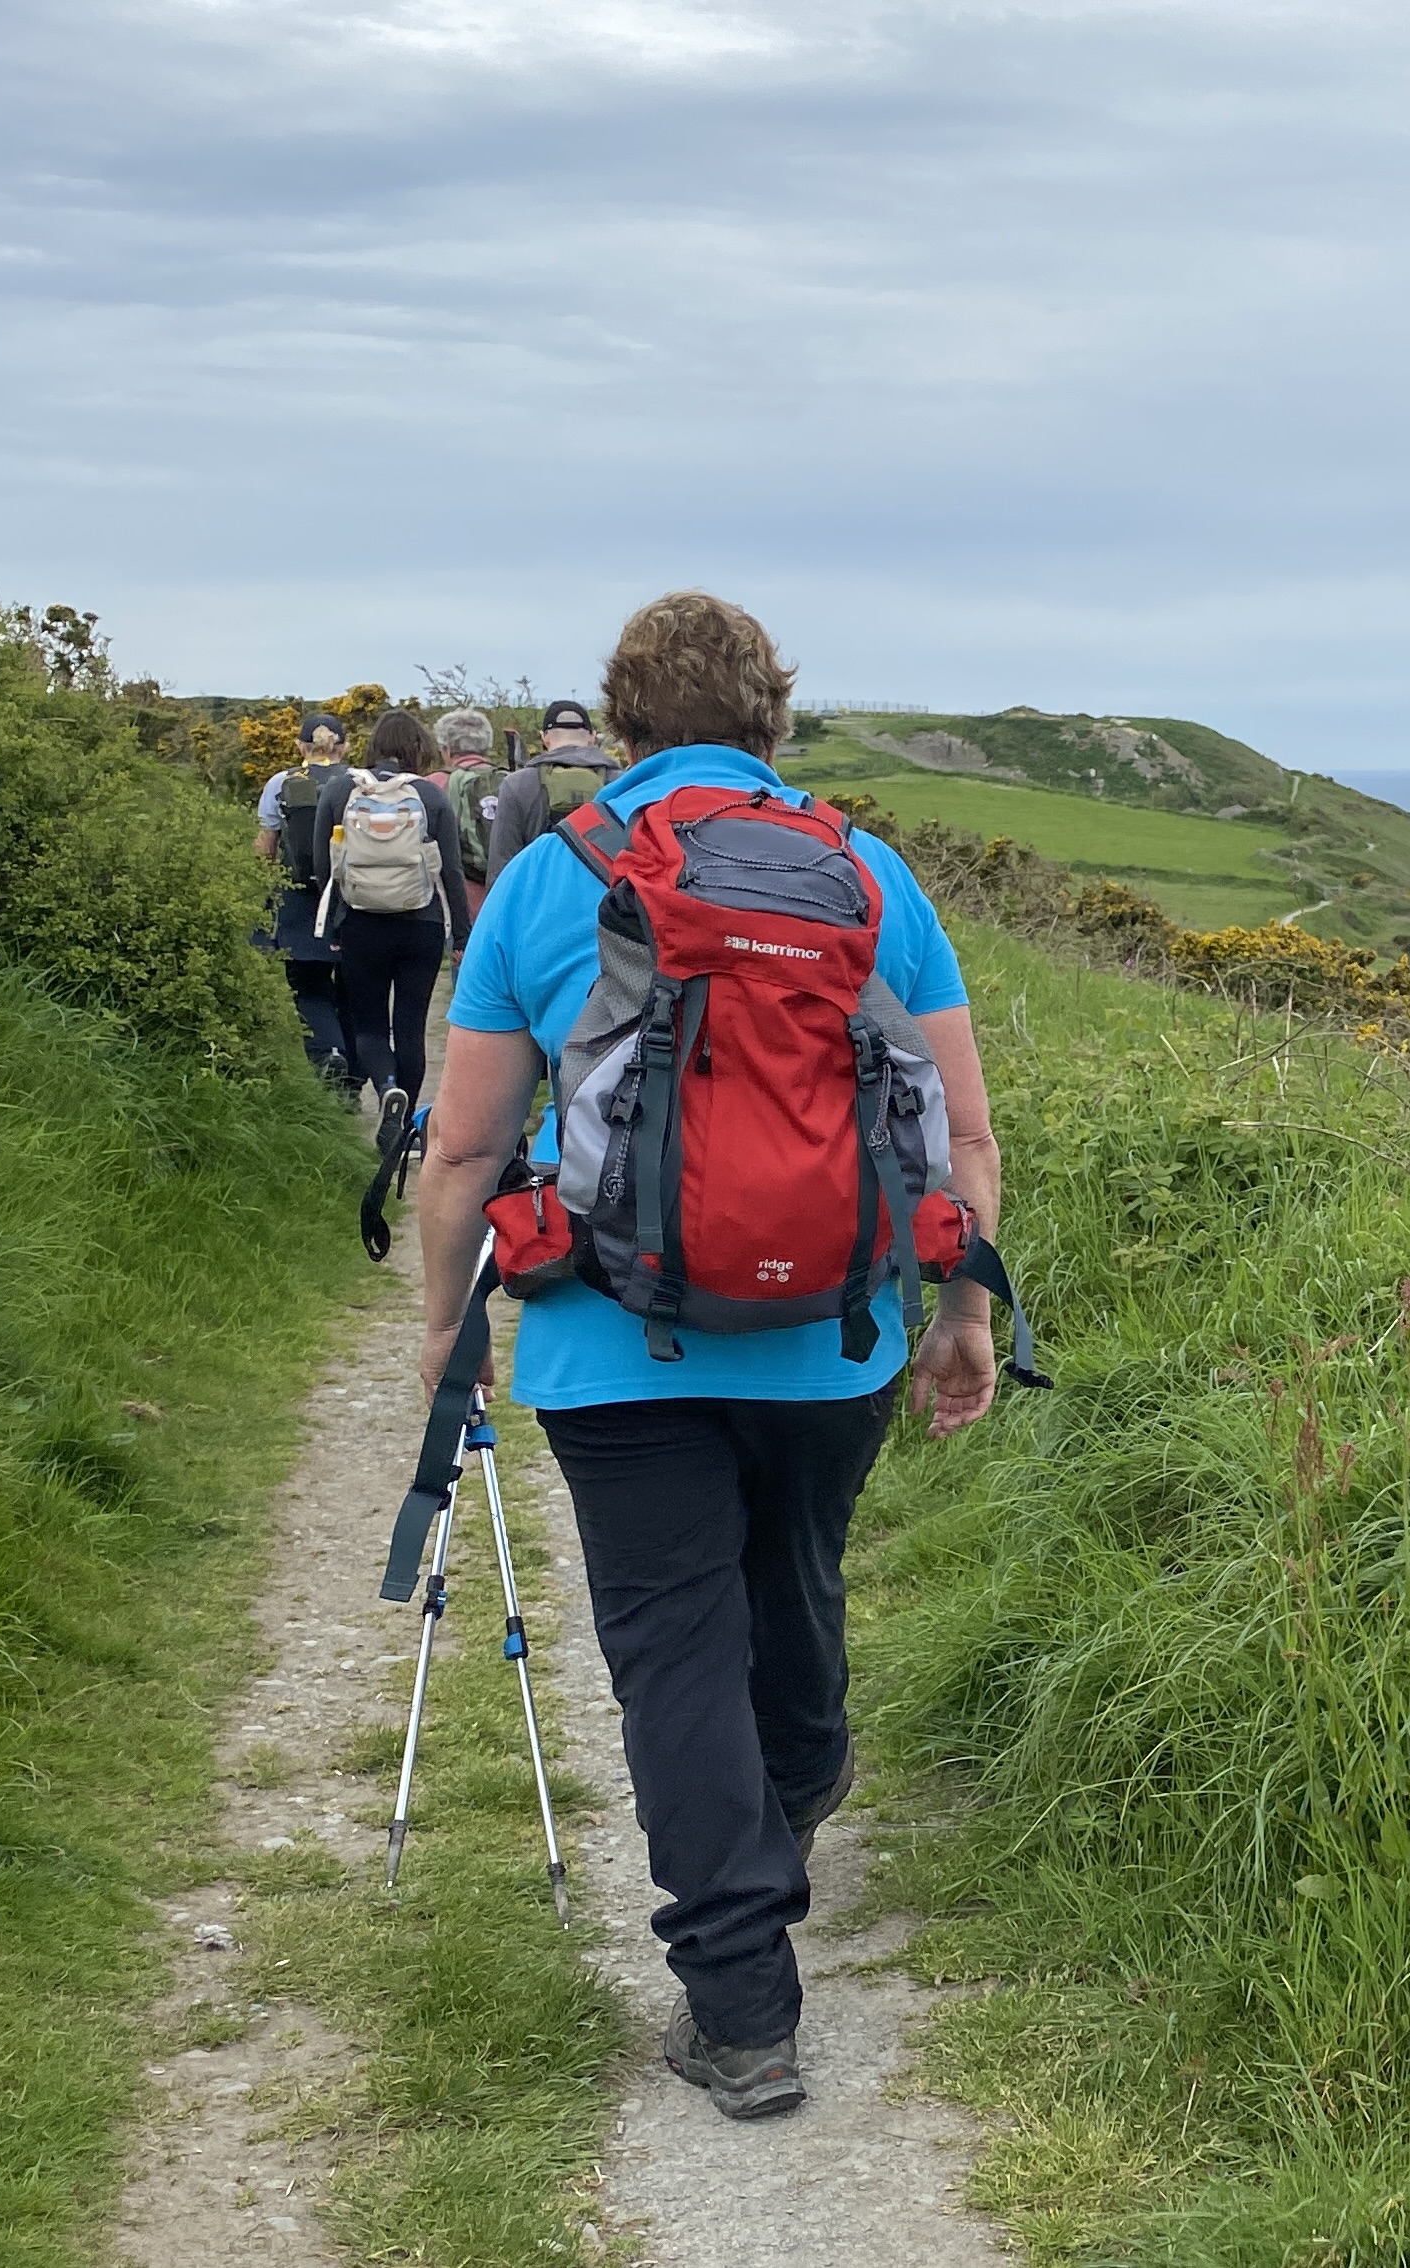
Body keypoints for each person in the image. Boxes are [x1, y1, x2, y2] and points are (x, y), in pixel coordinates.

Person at [417, 592, 1003, 2122]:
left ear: (618, 728)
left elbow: (465, 1146)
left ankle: (743, 2016)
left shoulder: (552, 879)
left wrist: (446, 1336)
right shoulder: (869, 873)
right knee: (794, 1588)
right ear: (774, 721)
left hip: (613, 1346)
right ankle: (789, 1799)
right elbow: (961, 1136)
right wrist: (961, 1314)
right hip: (835, 1334)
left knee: (675, 1650)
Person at [311, 710, 476, 1134]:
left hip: (360, 924)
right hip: (420, 925)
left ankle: (385, 1089)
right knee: (410, 1026)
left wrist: (332, 926)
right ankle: (399, 1131)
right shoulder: (431, 796)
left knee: (367, 1026)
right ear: (419, 748)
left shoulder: (339, 790)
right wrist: (461, 933)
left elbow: (322, 865)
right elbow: (452, 872)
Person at [251, 712, 358, 1089]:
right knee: (352, 987)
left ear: (300, 747)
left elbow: (265, 850)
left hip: (300, 901)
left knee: (309, 986)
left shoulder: (280, 783)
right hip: (353, 898)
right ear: (344, 746)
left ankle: (328, 1054)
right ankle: (355, 1078)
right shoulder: (363, 782)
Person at [487, 697, 620, 878]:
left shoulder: (517, 784)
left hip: (539, 901)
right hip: (608, 901)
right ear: (592, 737)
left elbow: (501, 868)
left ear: (544, 738)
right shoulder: (623, 781)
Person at [436, 704, 507, 911]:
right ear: (486, 746)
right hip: (503, 895)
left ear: (447, 750)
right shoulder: (514, 782)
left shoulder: (434, 784)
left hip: (459, 901)